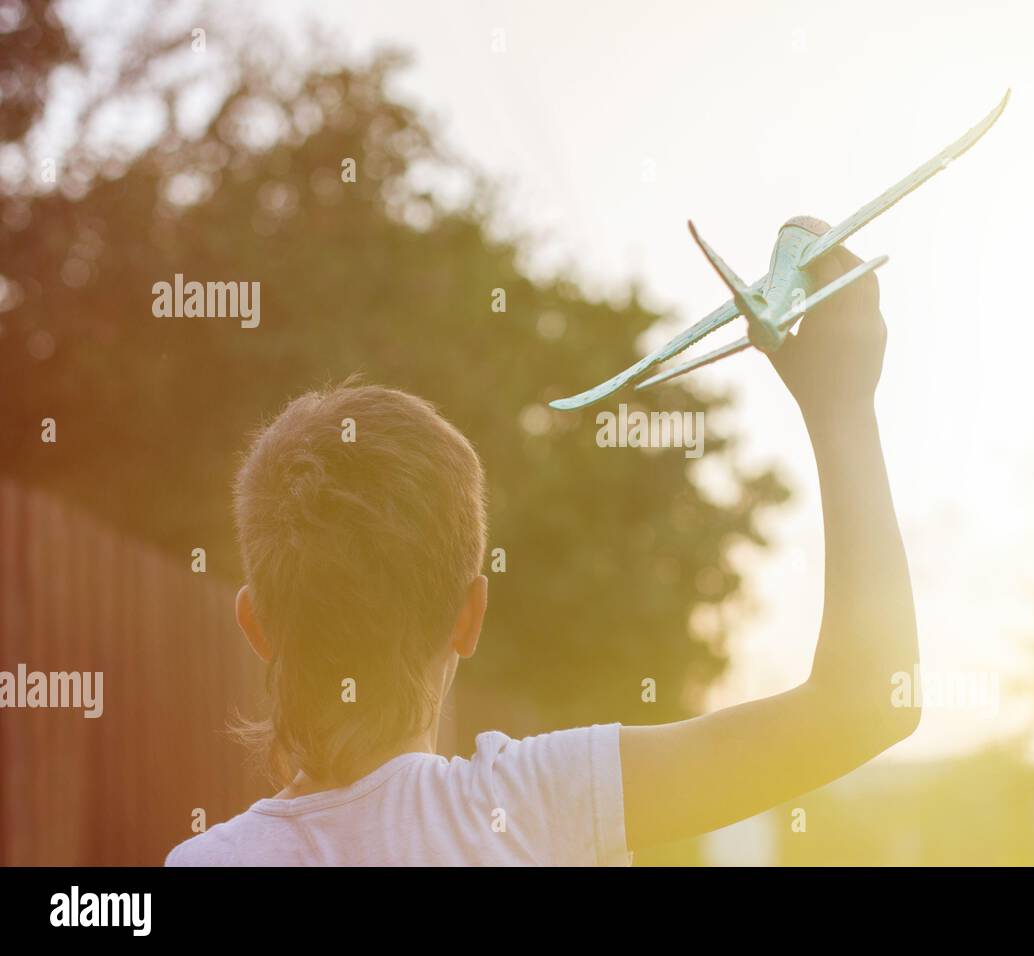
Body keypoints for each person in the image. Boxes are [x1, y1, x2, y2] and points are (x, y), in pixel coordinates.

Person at [165, 218, 919, 865]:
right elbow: (871, 703)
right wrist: (842, 404)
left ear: (256, 627)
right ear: (471, 614)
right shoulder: (537, 805)